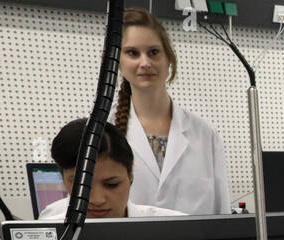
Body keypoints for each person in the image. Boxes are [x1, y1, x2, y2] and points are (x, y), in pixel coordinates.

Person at [112, 9, 230, 215]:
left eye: (153, 52)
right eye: (132, 53)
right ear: (119, 63)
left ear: (169, 59)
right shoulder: (102, 133)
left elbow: (222, 213)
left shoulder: (205, 134)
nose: (145, 63)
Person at [38, 120, 182, 219]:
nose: (97, 199)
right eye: (82, 185)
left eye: (111, 184)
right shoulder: (48, 230)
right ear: (63, 178)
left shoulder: (179, 229)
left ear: (130, 175)